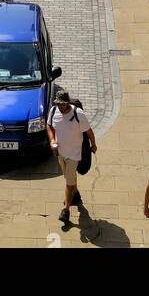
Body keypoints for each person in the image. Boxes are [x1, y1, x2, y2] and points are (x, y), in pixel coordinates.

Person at [47, 91, 96, 223]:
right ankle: (76, 195)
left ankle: (66, 210)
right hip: (61, 153)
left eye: (63, 105)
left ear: (68, 103)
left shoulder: (78, 114)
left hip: (75, 154)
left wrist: (94, 144)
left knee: (68, 184)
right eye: (58, 105)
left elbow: (89, 131)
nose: (60, 107)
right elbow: (49, 126)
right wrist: (52, 140)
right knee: (69, 178)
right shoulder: (53, 111)